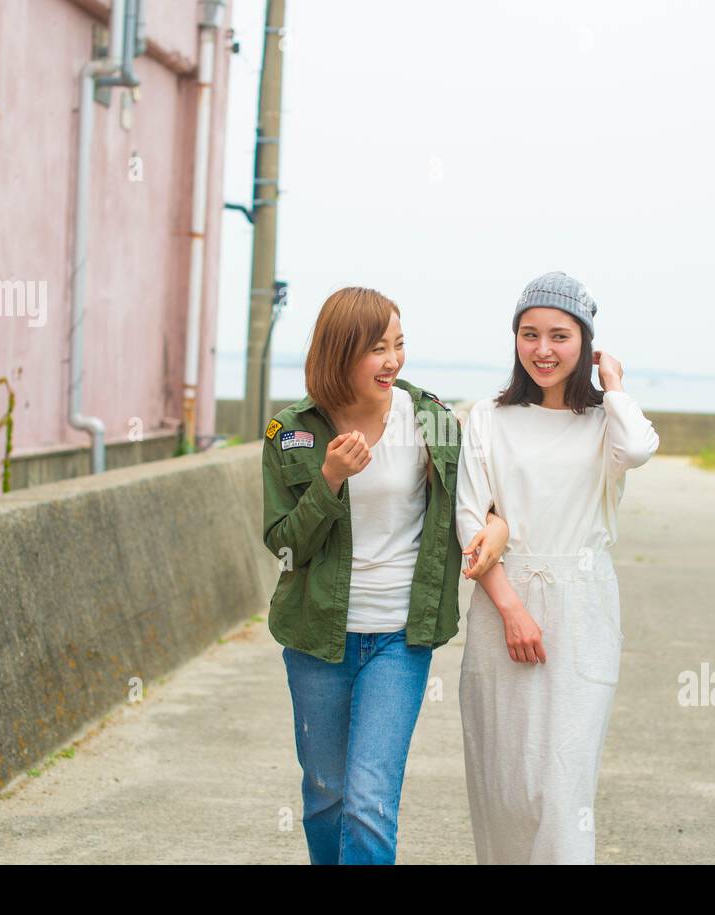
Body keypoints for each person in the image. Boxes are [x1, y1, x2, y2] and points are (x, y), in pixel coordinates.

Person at [260, 286, 507, 865]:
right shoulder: (291, 431)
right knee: (325, 796)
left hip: (400, 636)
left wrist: (496, 527)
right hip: (316, 637)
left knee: (368, 802)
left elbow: (483, 496)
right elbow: (283, 545)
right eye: (377, 348)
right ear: (340, 353)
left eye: (399, 345)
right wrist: (328, 481)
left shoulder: (433, 421)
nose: (393, 361)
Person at [455, 271, 659, 864]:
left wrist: (613, 382)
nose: (543, 350)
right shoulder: (488, 416)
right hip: (502, 605)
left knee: (563, 783)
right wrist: (513, 610)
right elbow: (471, 523)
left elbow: (641, 448)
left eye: (560, 336)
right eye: (529, 334)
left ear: (585, 341)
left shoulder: (603, 423)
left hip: (581, 606)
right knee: (505, 783)